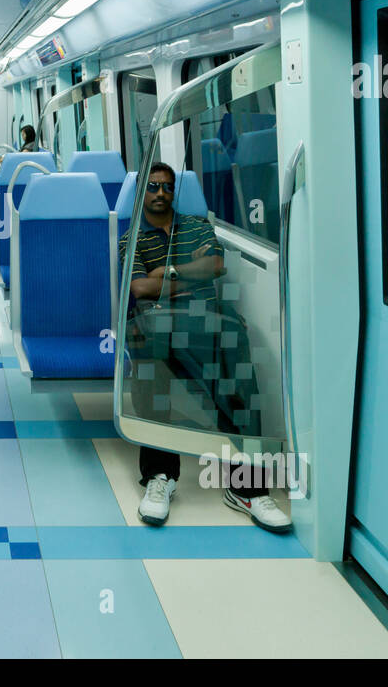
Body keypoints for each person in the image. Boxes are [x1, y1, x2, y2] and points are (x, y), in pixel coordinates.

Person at [119, 162, 291, 533]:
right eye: (152, 187)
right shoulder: (131, 239)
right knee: (150, 362)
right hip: (157, 319)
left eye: (167, 187)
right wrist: (180, 276)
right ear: (141, 194)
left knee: (238, 367)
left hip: (207, 316)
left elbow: (215, 265)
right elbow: (139, 290)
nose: (161, 193)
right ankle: (160, 476)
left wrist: (168, 274)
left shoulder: (198, 226)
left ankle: (247, 487)